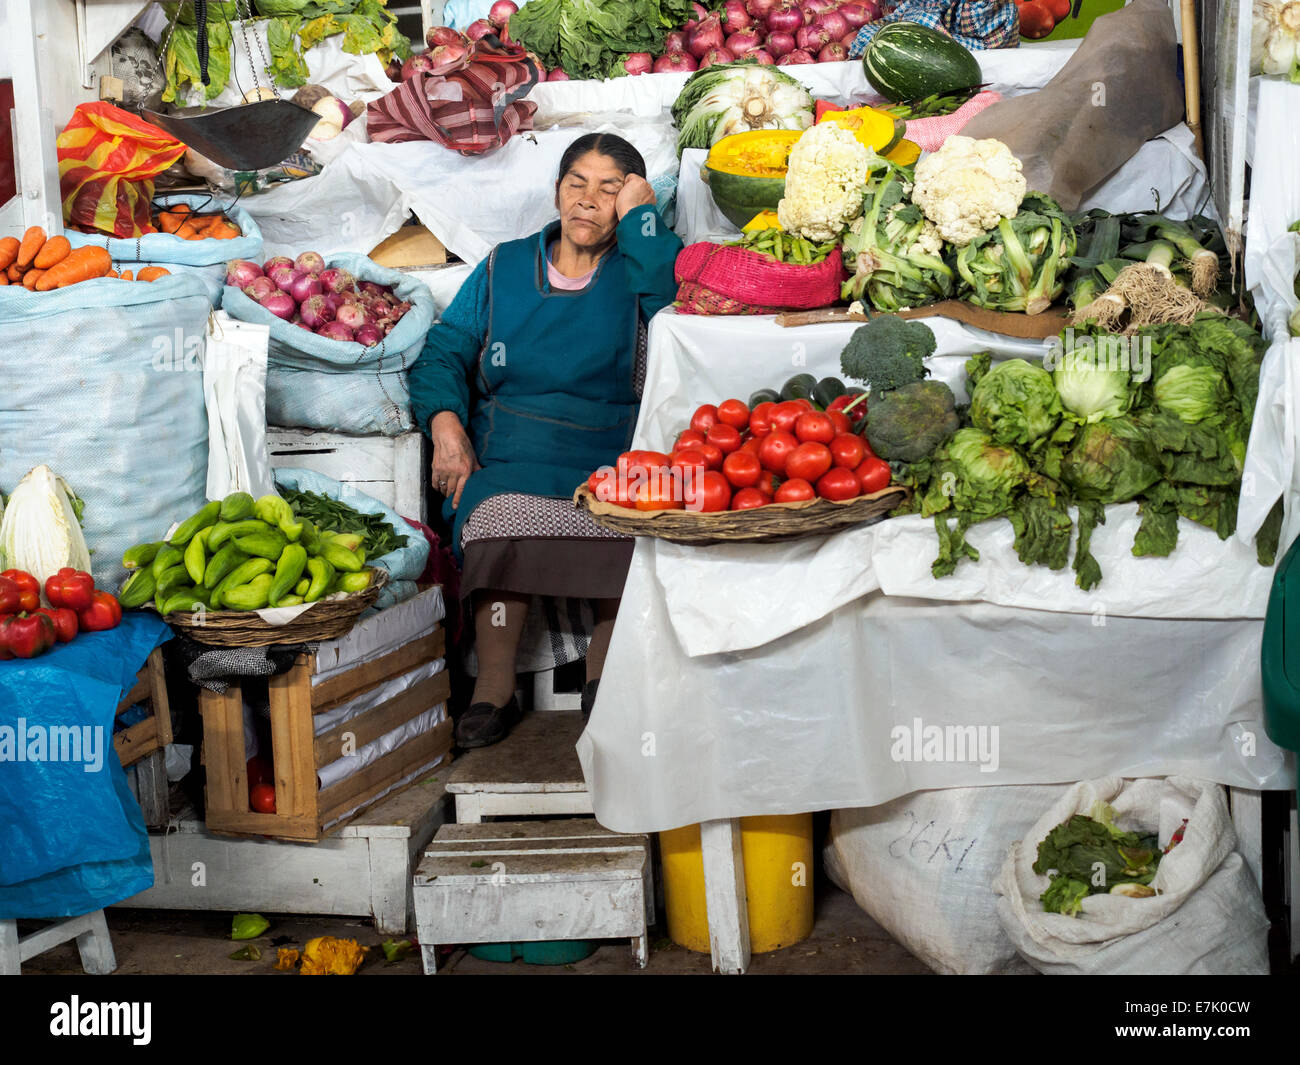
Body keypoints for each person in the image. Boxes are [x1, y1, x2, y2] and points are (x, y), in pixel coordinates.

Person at [408, 133, 683, 749]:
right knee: (495, 515)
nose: (588, 201)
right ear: (556, 190)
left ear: (632, 200)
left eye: (609, 189)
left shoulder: (640, 267)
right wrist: (446, 424)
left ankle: (602, 684)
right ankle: (493, 688)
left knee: (629, 529)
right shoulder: (506, 265)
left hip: (612, 453)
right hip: (510, 449)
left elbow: (672, 311)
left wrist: (642, 217)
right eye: (576, 184)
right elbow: (446, 349)